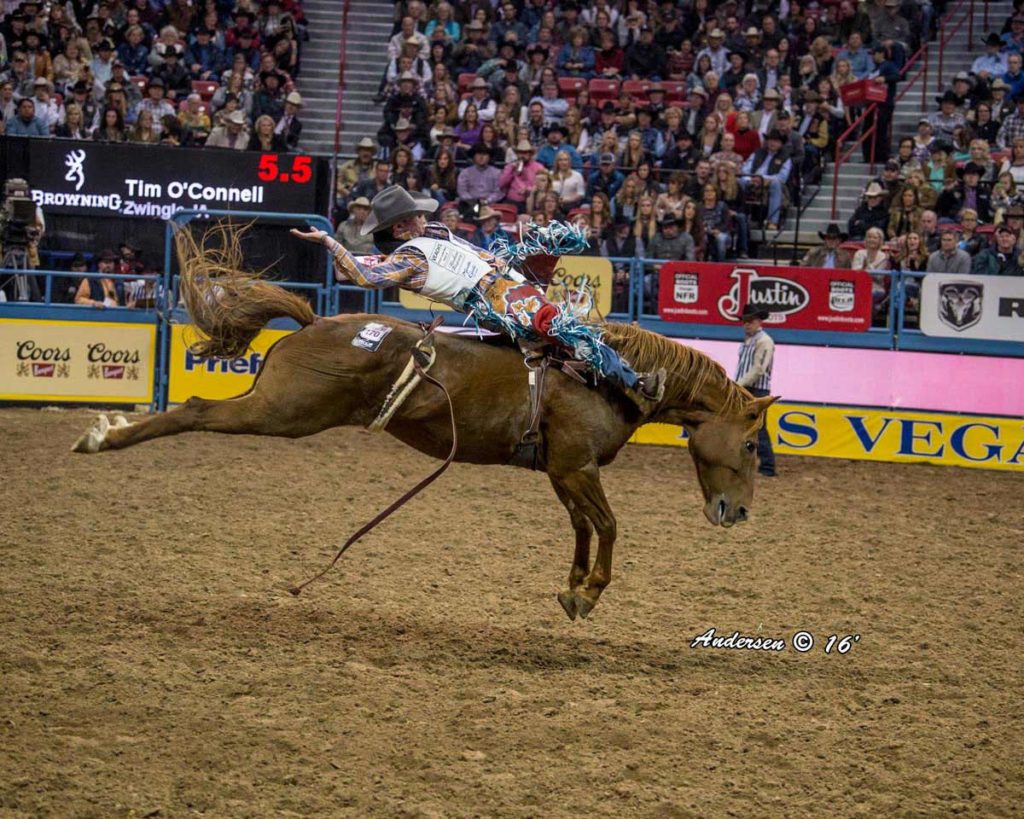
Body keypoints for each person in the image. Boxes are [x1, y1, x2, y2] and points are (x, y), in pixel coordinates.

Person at [289, 186, 664, 404]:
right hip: (494, 302)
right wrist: (329, 242)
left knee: (556, 263)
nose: (423, 218)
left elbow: (475, 254)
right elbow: (363, 275)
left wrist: (514, 261)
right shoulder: (409, 259)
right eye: (415, 216)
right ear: (401, 228)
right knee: (556, 325)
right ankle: (635, 382)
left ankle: (589, 373)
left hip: (509, 281)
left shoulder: (432, 235)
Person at [735, 304, 775, 478]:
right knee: (747, 427)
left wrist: (738, 384)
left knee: (758, 427)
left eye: (750, 321)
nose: (746, 324)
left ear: (759, 321)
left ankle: (767, 465)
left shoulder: (764, 341)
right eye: (745, 321)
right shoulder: (751, 340)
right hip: (748, 388)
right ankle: (753, 462)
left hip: (756, 390)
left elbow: (758, 369)